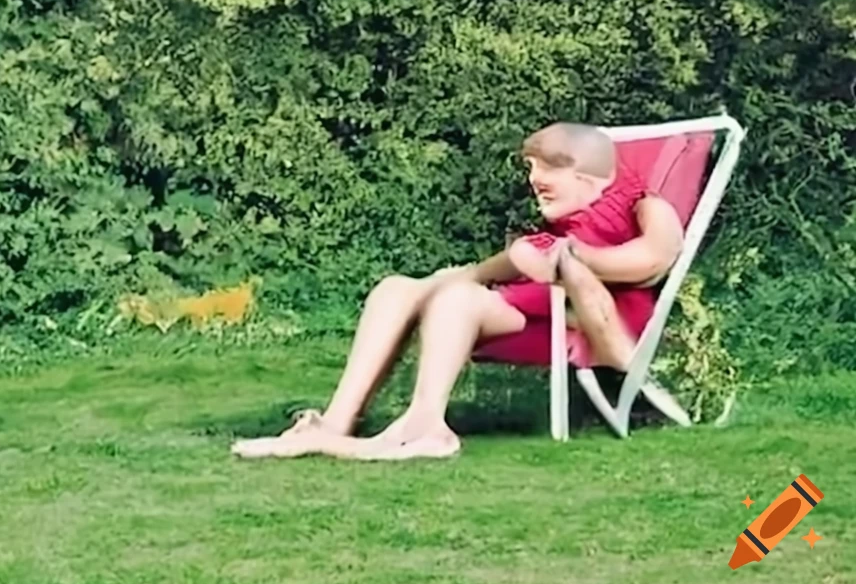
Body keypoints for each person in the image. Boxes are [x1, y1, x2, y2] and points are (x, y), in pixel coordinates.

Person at [231, 122, 684, 461]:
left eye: (547, 169)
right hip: (538, 304)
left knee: (459, 300)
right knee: (396, 290)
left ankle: (428, 427)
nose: (533, 179)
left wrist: (574, 257)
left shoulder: (645, 205)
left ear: (586, 178)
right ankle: (334, 423)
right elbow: (501, 266)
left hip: (595, 318)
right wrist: (437, 283)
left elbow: (651, 258)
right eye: (532, 168)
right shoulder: (561, 229)